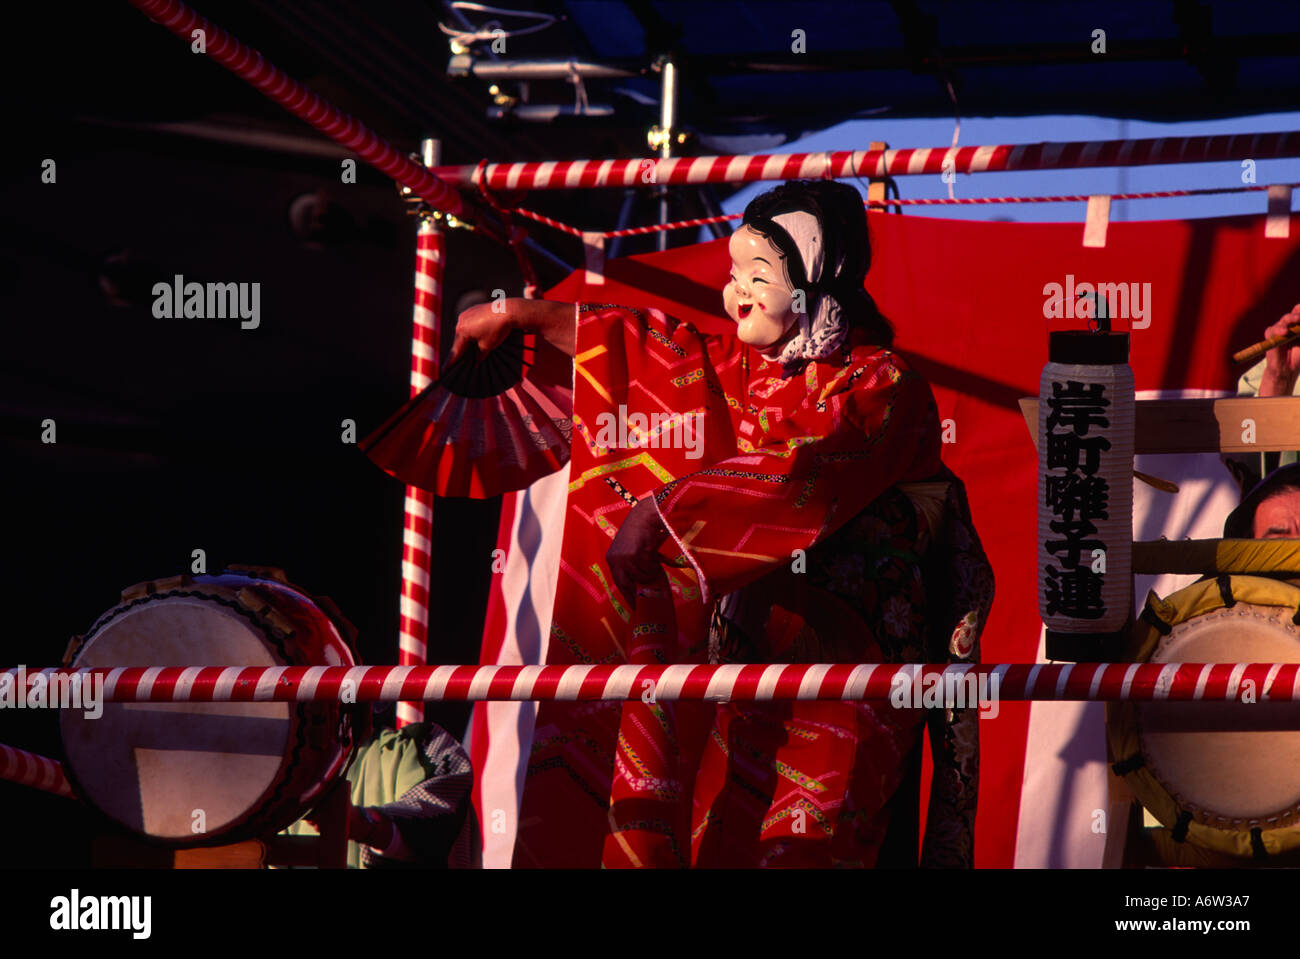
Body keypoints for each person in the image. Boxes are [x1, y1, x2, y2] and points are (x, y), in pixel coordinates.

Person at [453, 179, 992, 868]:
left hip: (849, 684)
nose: (736, 291)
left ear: (815, 283)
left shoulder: (882, 384)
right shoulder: (743, 370)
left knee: (806, 848)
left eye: (759, 275)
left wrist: (664, 514)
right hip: (742, 682)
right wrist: (532, 316)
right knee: (723, 846)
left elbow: (809, 472)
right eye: (734, 273)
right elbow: (654, 352)